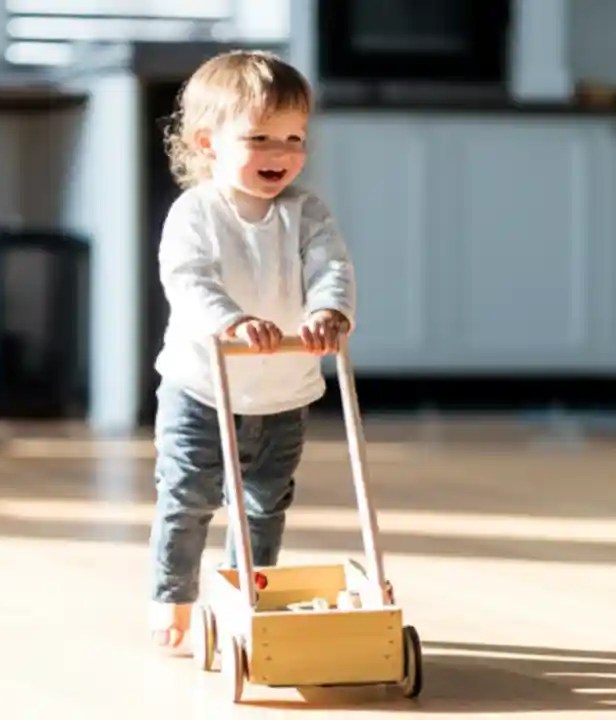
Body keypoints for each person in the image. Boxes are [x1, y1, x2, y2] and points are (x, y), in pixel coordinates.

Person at [147, 49, 356, 648]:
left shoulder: (307, 213)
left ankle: (246, 596)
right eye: (261, 137)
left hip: (283, 393)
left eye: (294, 137)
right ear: (209, 143)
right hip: (203, 388)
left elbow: (331, 269)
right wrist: (233, 323)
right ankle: (173, 599)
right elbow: (188, 280)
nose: (282, 154)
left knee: (264, 505)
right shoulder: (196, 214)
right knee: (189, 498)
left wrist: (328, 311)